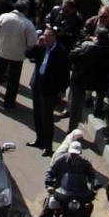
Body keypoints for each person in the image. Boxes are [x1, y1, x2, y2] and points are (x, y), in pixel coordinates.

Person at [0, 0, 39, 111]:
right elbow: (32, 42)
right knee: (13, 81)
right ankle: (9, 102)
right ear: (26, 10)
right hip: (17, 57)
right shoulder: (28, 24)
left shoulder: (3, 17)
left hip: (2, 52)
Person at [30, 23, 73, 153]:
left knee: (47, 118)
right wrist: (37, 45)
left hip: (50, 89)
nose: (46, 38)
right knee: (37, 115)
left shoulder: (61, 51)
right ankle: (39, 140)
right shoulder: (41, 47)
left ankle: (48, 147)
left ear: (54, 37)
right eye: (45, 35)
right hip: (37, 85)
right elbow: (28, 54)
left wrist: (61, 91)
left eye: (48, 36)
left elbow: (65, 73)